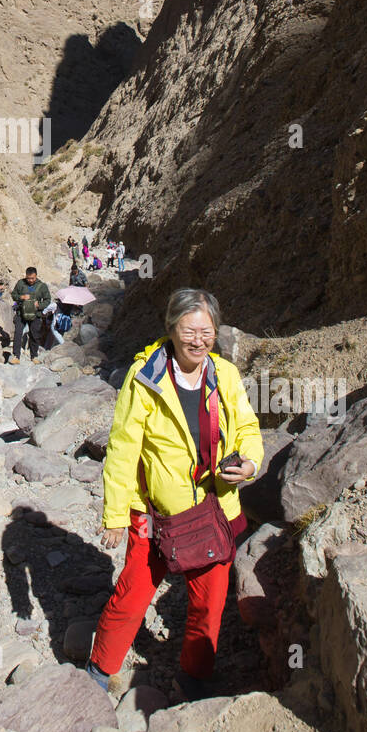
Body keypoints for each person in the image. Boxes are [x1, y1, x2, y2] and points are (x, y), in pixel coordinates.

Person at [87, 288, 262, 702]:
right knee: (133, 593)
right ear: (170, 328)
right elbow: (123, 449)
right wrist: (114, 515)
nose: (198, 339)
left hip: (213, 509)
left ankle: (194, 678)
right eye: (190, 329)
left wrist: (250, 465)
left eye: (207, 331)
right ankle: (99, 669)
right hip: (154, 513)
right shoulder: (145, 378)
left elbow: (249, 430)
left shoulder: (225, 376)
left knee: (210, 603)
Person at [9, 267, 51, 364]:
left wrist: (39, 305)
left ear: (36, 276)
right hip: (21, 313)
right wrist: (21, 297)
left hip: (35, 314)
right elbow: (14, 295)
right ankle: (16, 356)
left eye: (32, 278)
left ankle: (34, 356)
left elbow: (48, 299)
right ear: (26, 276)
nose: (30, 280)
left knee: (34, 335)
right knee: (18, 333)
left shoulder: (42, 286)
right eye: (28, 278)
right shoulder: (20, 283)